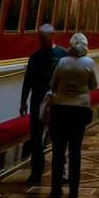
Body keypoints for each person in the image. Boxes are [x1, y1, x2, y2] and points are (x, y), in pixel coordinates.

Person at [47, 31, 98, 198]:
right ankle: (74, 190)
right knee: (75, 150)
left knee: (58, 151)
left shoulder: (62, 62)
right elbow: (93, 86)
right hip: (79, 110)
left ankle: (56, 189)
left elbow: (52, 85)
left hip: (60, 109)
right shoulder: (89, 63)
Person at [19, 24, 67, 184]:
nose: (41, 41)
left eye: (44, 38)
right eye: (40, 38)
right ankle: (36, 170)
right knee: (36, 137)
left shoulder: (63, 55)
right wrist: (23, 101)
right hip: (38, 100)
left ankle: (60, 170)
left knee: (58, 137)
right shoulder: (35, 56)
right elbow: (28, 80)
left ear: (53, 36)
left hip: (56, 101)